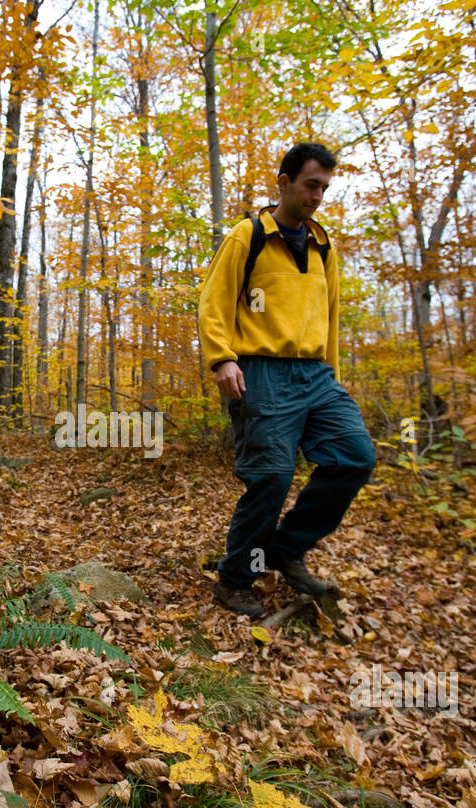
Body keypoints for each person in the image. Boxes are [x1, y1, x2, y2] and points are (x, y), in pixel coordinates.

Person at [198, 143, 376, 618]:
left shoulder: (323, 245)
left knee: (355, 457)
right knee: (271, 477)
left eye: (324, 188)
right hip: (260, 371)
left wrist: (331, 375)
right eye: (310, 185)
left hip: (316, 375)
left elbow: (331, 316)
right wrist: (222, 360)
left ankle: (285, 547)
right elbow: (213, 302)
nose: (317, 196)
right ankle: (235, 578)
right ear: (285, 181)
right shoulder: (248, 235)